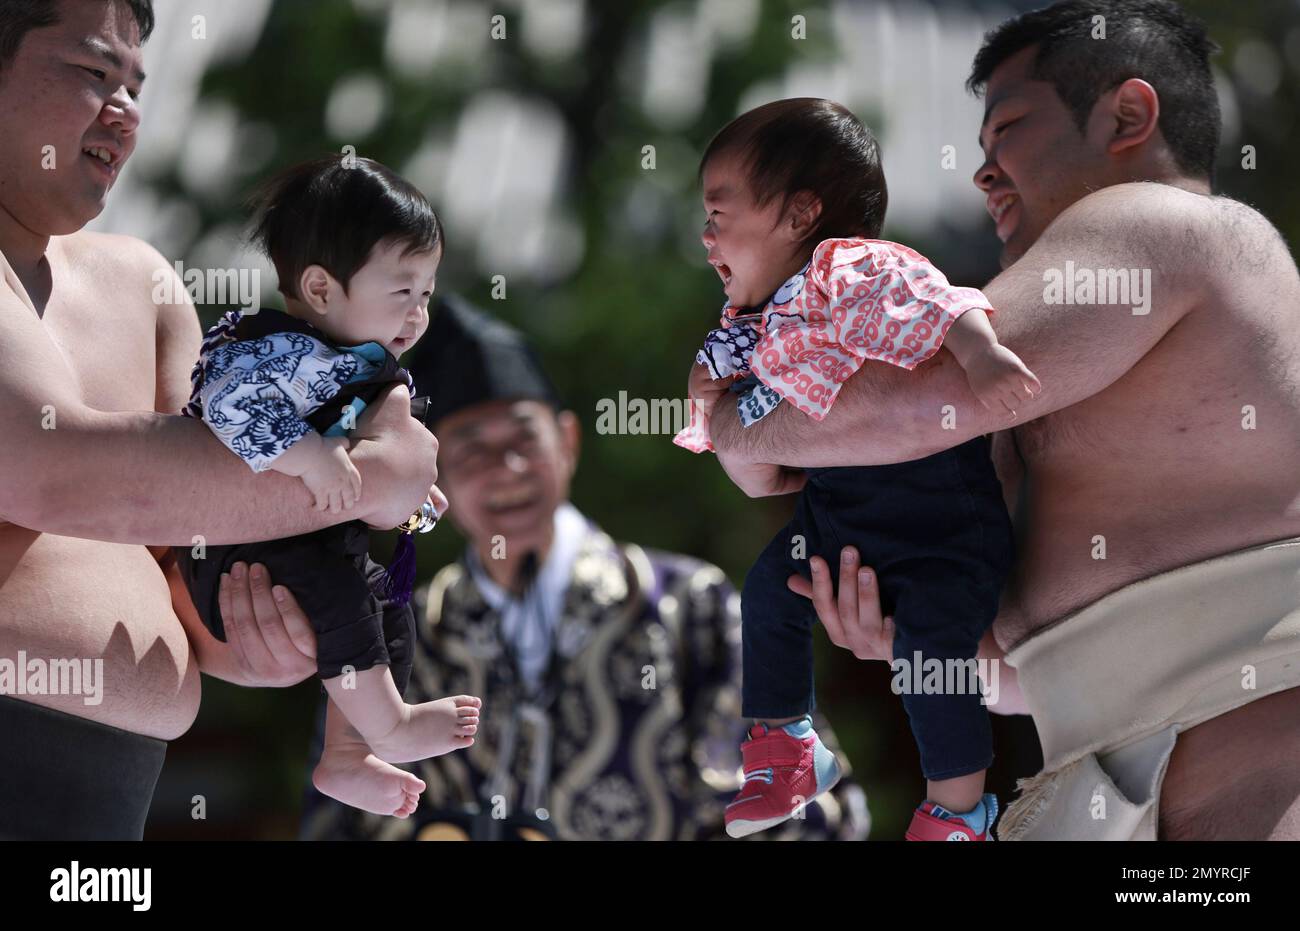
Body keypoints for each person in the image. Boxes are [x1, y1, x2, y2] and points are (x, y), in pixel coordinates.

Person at [703, 0, 1300, 840]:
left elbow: (919, 397)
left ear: (1127, 115)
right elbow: (1036, 666)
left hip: (1250, 789)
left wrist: (728, 420)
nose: (983, 176)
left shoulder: (1165, 223)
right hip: (1111, 781)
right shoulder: (1073, 364)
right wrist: (924, 645)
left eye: (1009, 131)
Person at [0, 0, 437, 840]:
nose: (125, 109)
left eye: (135, 83)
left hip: (114, 798)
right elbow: (57, 475)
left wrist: (252, 641)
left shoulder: (145, 287)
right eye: (94, 72)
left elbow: (184, 555)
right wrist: (373, 475)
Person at [300, 296, 871, 841]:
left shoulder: (691, 605)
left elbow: (805, 809)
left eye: (525, 437)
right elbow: (339, 819)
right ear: (432, 472)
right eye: (472, 449)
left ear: (567, 442)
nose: (508, 469)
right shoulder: (399, 634)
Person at [677, 98, 1039, 840]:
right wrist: (708, 405)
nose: (705, 234)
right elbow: (762, 474)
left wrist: (984, 356)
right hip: (836, 512)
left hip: (938, 519)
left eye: (719, 212)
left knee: (929, 654)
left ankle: (959, 807)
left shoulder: (850, 267)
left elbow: (939, 301)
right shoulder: (748, 325)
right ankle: (786, 749)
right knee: (768, 595)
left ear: (801, 214)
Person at [174, 157, 480, 820]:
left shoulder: (357, 364)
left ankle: (349, 750)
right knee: (346, 590)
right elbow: (228, 402)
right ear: (318, 286)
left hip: (308, 547)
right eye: (403, 290)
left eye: (427, 293)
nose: (419, 312)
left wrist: (414, 501)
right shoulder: (269, 348)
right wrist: (311, 457)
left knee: (390, 602)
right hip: (235, 549)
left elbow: (380, 470)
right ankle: (388, 725)